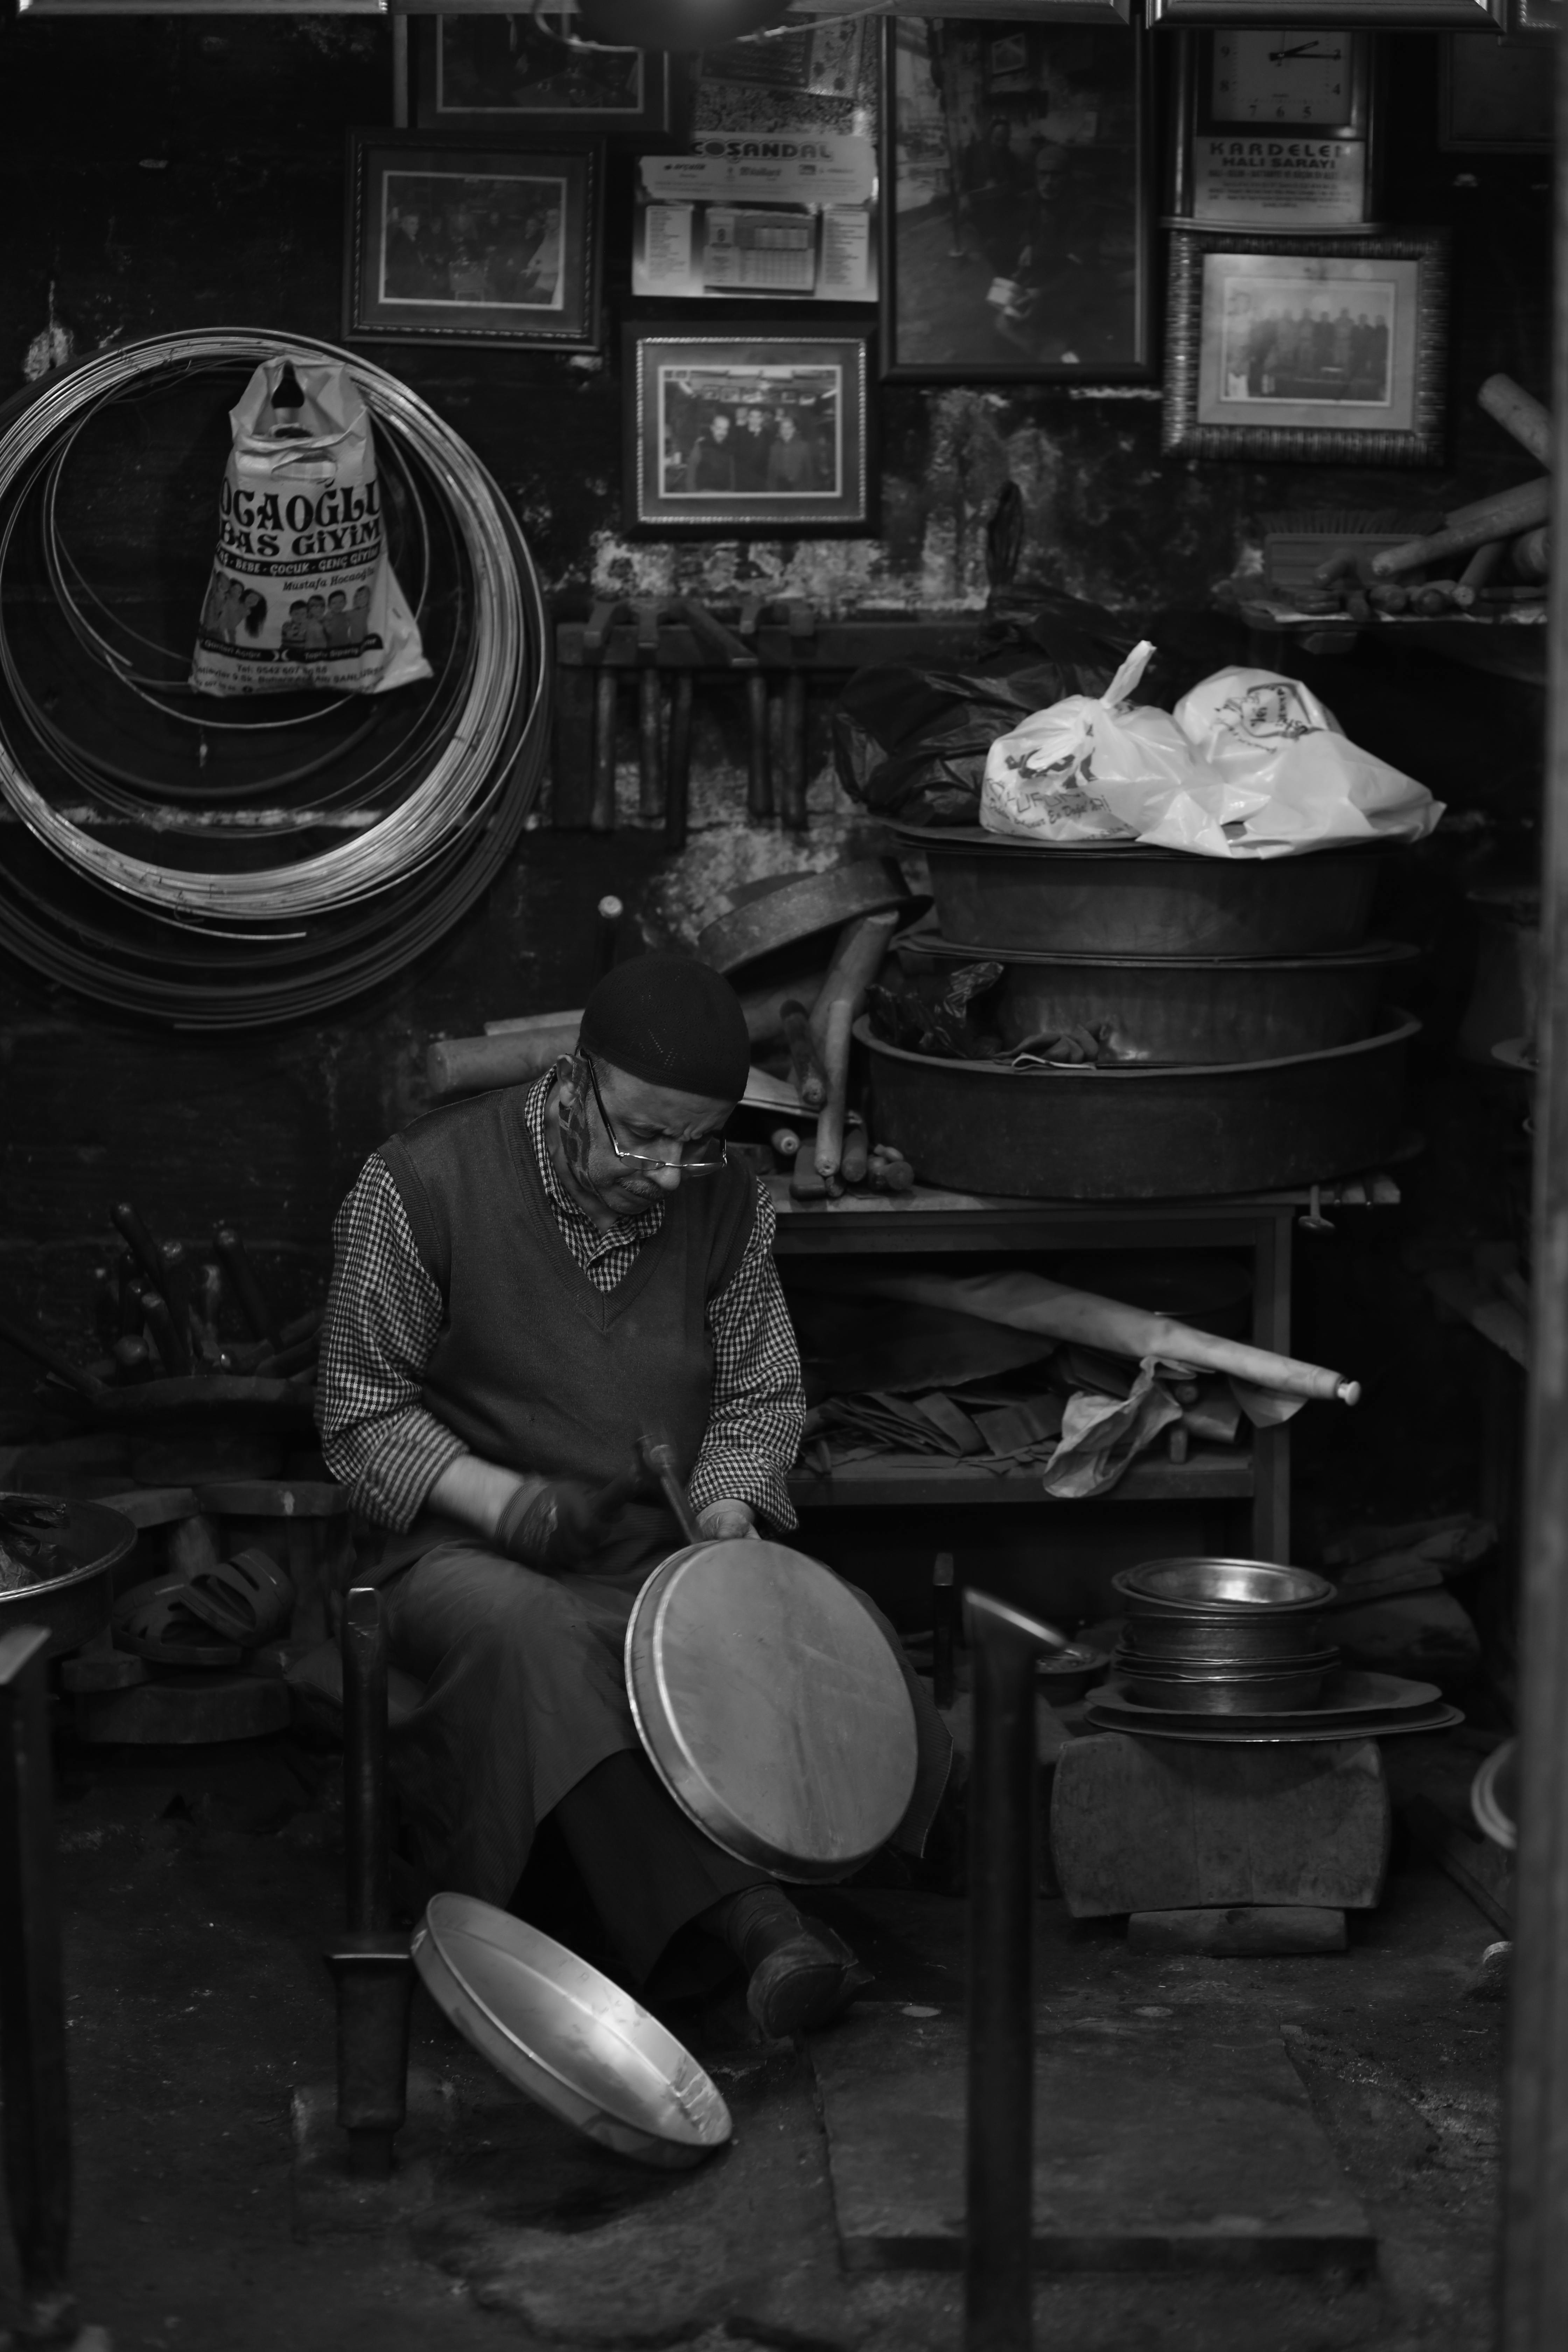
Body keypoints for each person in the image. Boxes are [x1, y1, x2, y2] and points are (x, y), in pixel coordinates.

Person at [317, 954, 949, 2036]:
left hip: (651, 1555)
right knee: (538, 1636)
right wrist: (498, 1498)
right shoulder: (418, 1184)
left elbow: (757, 1394)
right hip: (455, 1557)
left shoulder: (725, 1208)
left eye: (696, 1143)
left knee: (820, 1633)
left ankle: (817, 1882)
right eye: (641, 1135)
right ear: (572, 1082)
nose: (667, 1172)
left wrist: (725, 1517)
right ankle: (760, 1928)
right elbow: (360, 1413)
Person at [686, 409, 736, 493]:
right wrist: (693, 496)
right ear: (712, 428)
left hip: (725, 494)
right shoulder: (701, 446)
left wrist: (731, 493)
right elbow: (691, 474)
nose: (722, 433)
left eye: (725, 429)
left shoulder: (729, 448)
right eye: (719, 428)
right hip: (704, 494)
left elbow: (731, 474)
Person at [765, 412, 816, 493]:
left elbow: (809, 472)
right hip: (780, 489)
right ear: (780, 431)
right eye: (783, 428)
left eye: (789, 428)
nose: (786, 431)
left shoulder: (804, 446)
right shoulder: (774, 448)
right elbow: (771, 473)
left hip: (799, 489)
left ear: (794, 429)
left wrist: (809, 491)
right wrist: (771, 491)